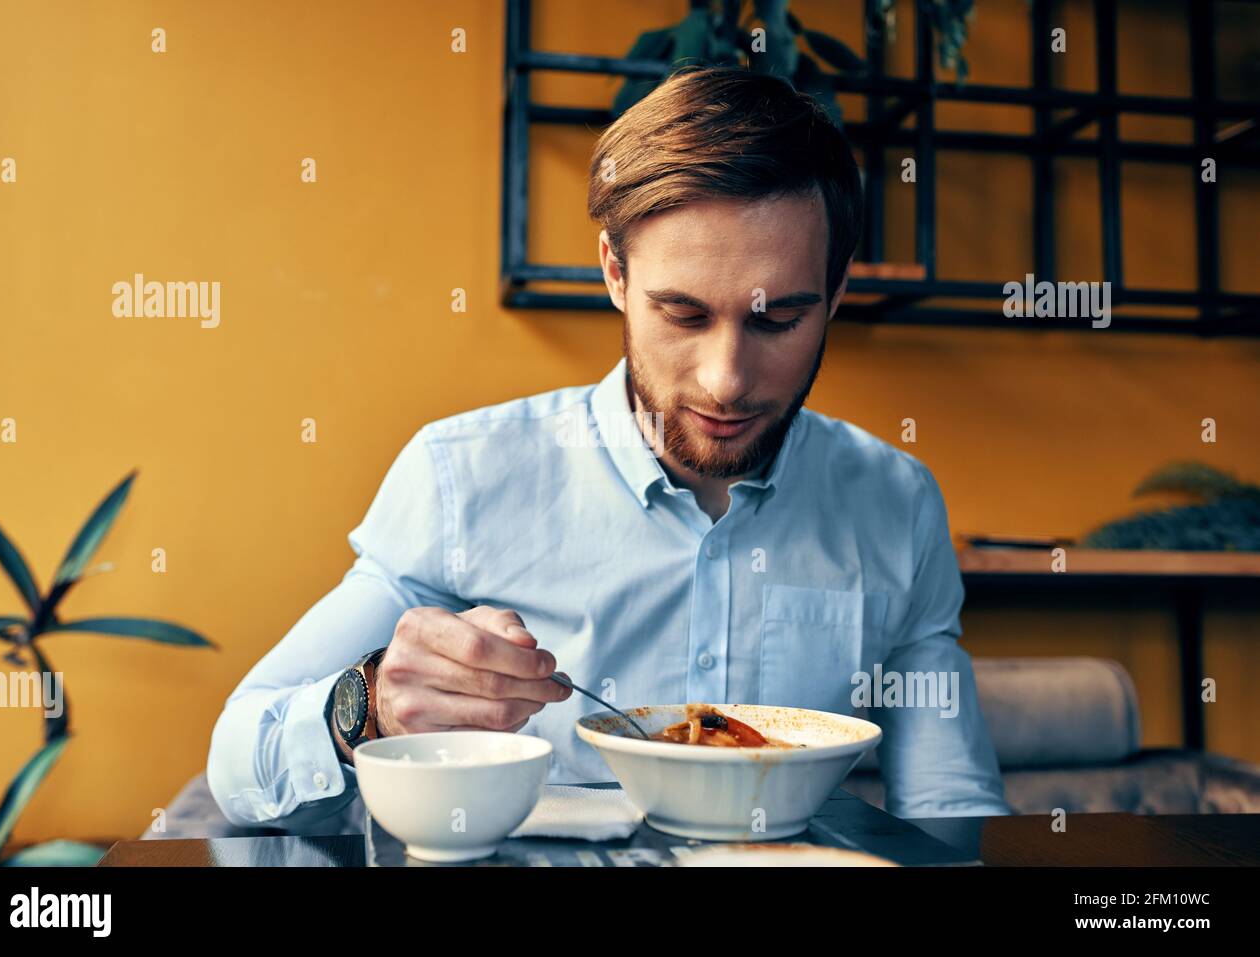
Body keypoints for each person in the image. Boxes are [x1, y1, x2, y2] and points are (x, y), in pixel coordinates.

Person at [207, 65, 1011, 831]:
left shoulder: (895, 503)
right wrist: (369, 704)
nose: (726, 380)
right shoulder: (460, 478)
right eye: (683, 314)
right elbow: (238, 761)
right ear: (616, 275)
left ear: (835, 294)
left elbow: (949, 806)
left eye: (777, 319)